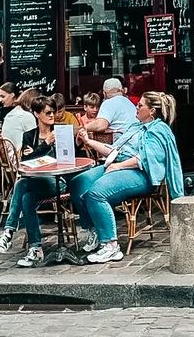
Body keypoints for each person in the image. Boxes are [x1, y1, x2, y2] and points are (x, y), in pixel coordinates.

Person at [72, 92, 184, 265]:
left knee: (96, 193)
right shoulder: (135, 126)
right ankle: (94, 229)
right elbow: (114, 151)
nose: (136, 108)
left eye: (140, 105)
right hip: (117, 165)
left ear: (152, 111)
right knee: (78, 183)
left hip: (141, 174)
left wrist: (117, 166)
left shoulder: (159, 129)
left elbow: (146, 159)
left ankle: (111, 246)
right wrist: (88, 141)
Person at [0, 95, 60, 259]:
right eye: (48, 112)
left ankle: (8, 232)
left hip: (57, 181)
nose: (52, 116)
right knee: (26, 198)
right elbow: (26, 162)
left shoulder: (60, 132)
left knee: (22, 184)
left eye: (53, 112)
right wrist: (45, 146)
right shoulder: (29, 135)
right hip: (35, 182)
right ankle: (36, 249)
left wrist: (40, 151)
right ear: (37, 114)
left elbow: (63, 160)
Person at [0, 84, 36, 152]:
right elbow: (34, 141)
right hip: (19, 158)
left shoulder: (11, 113)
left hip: (9, 157)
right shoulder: (27, 116)